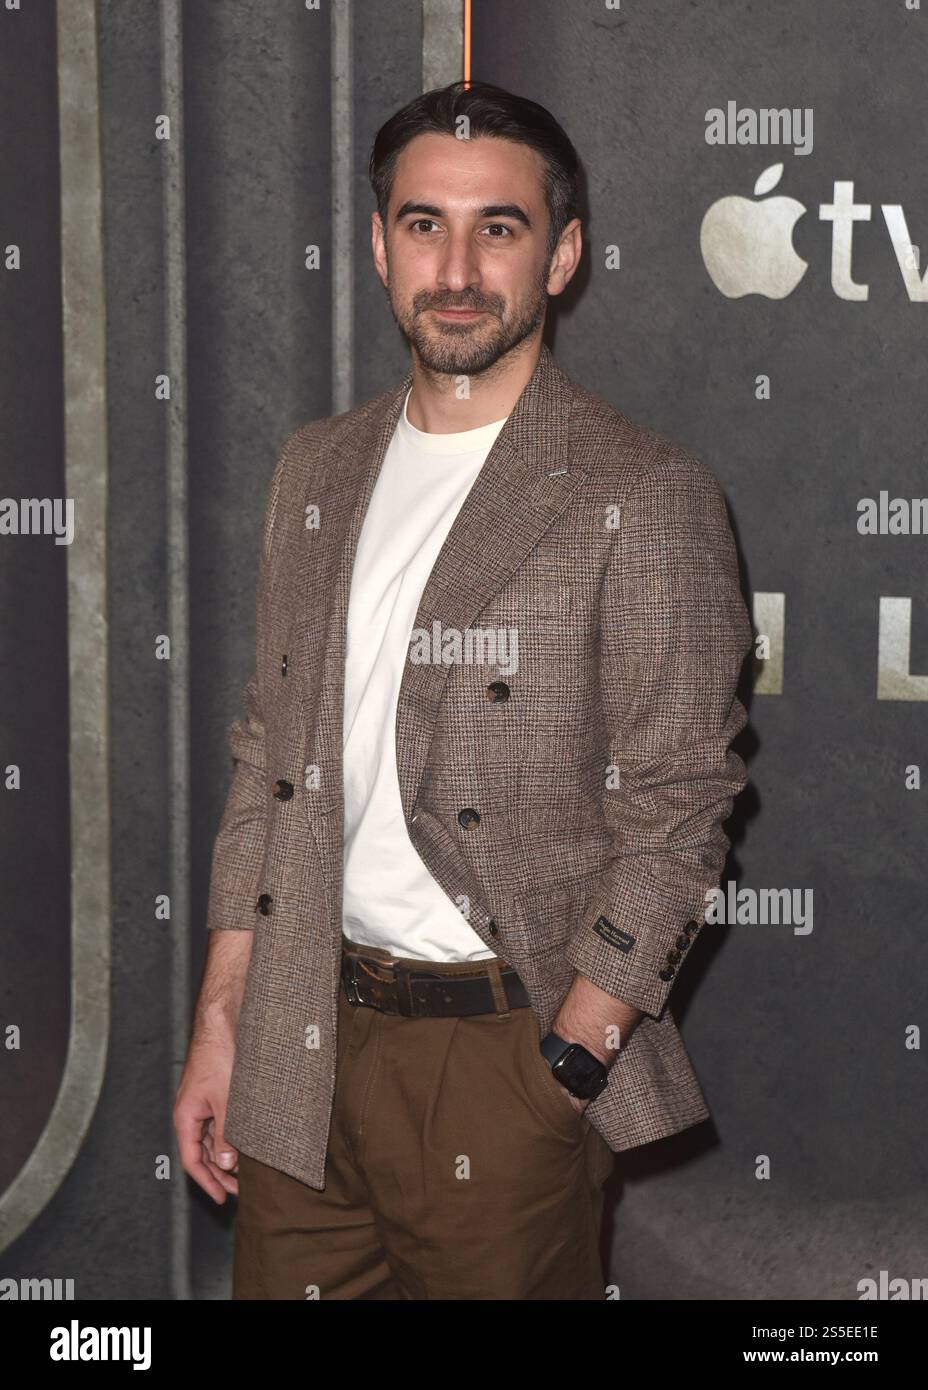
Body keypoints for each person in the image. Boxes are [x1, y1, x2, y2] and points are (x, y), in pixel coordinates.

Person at [174, 80, 753, 1301]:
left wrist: (572, 1058)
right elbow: (266, 755)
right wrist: (223, 1015)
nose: (455, 264)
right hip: (303, 1041)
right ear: (380, 244)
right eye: (423, 222)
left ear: (563, 255)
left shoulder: (639, 490)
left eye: (498, 227)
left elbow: (679, 809)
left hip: (502, 1058)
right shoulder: (314, 467)